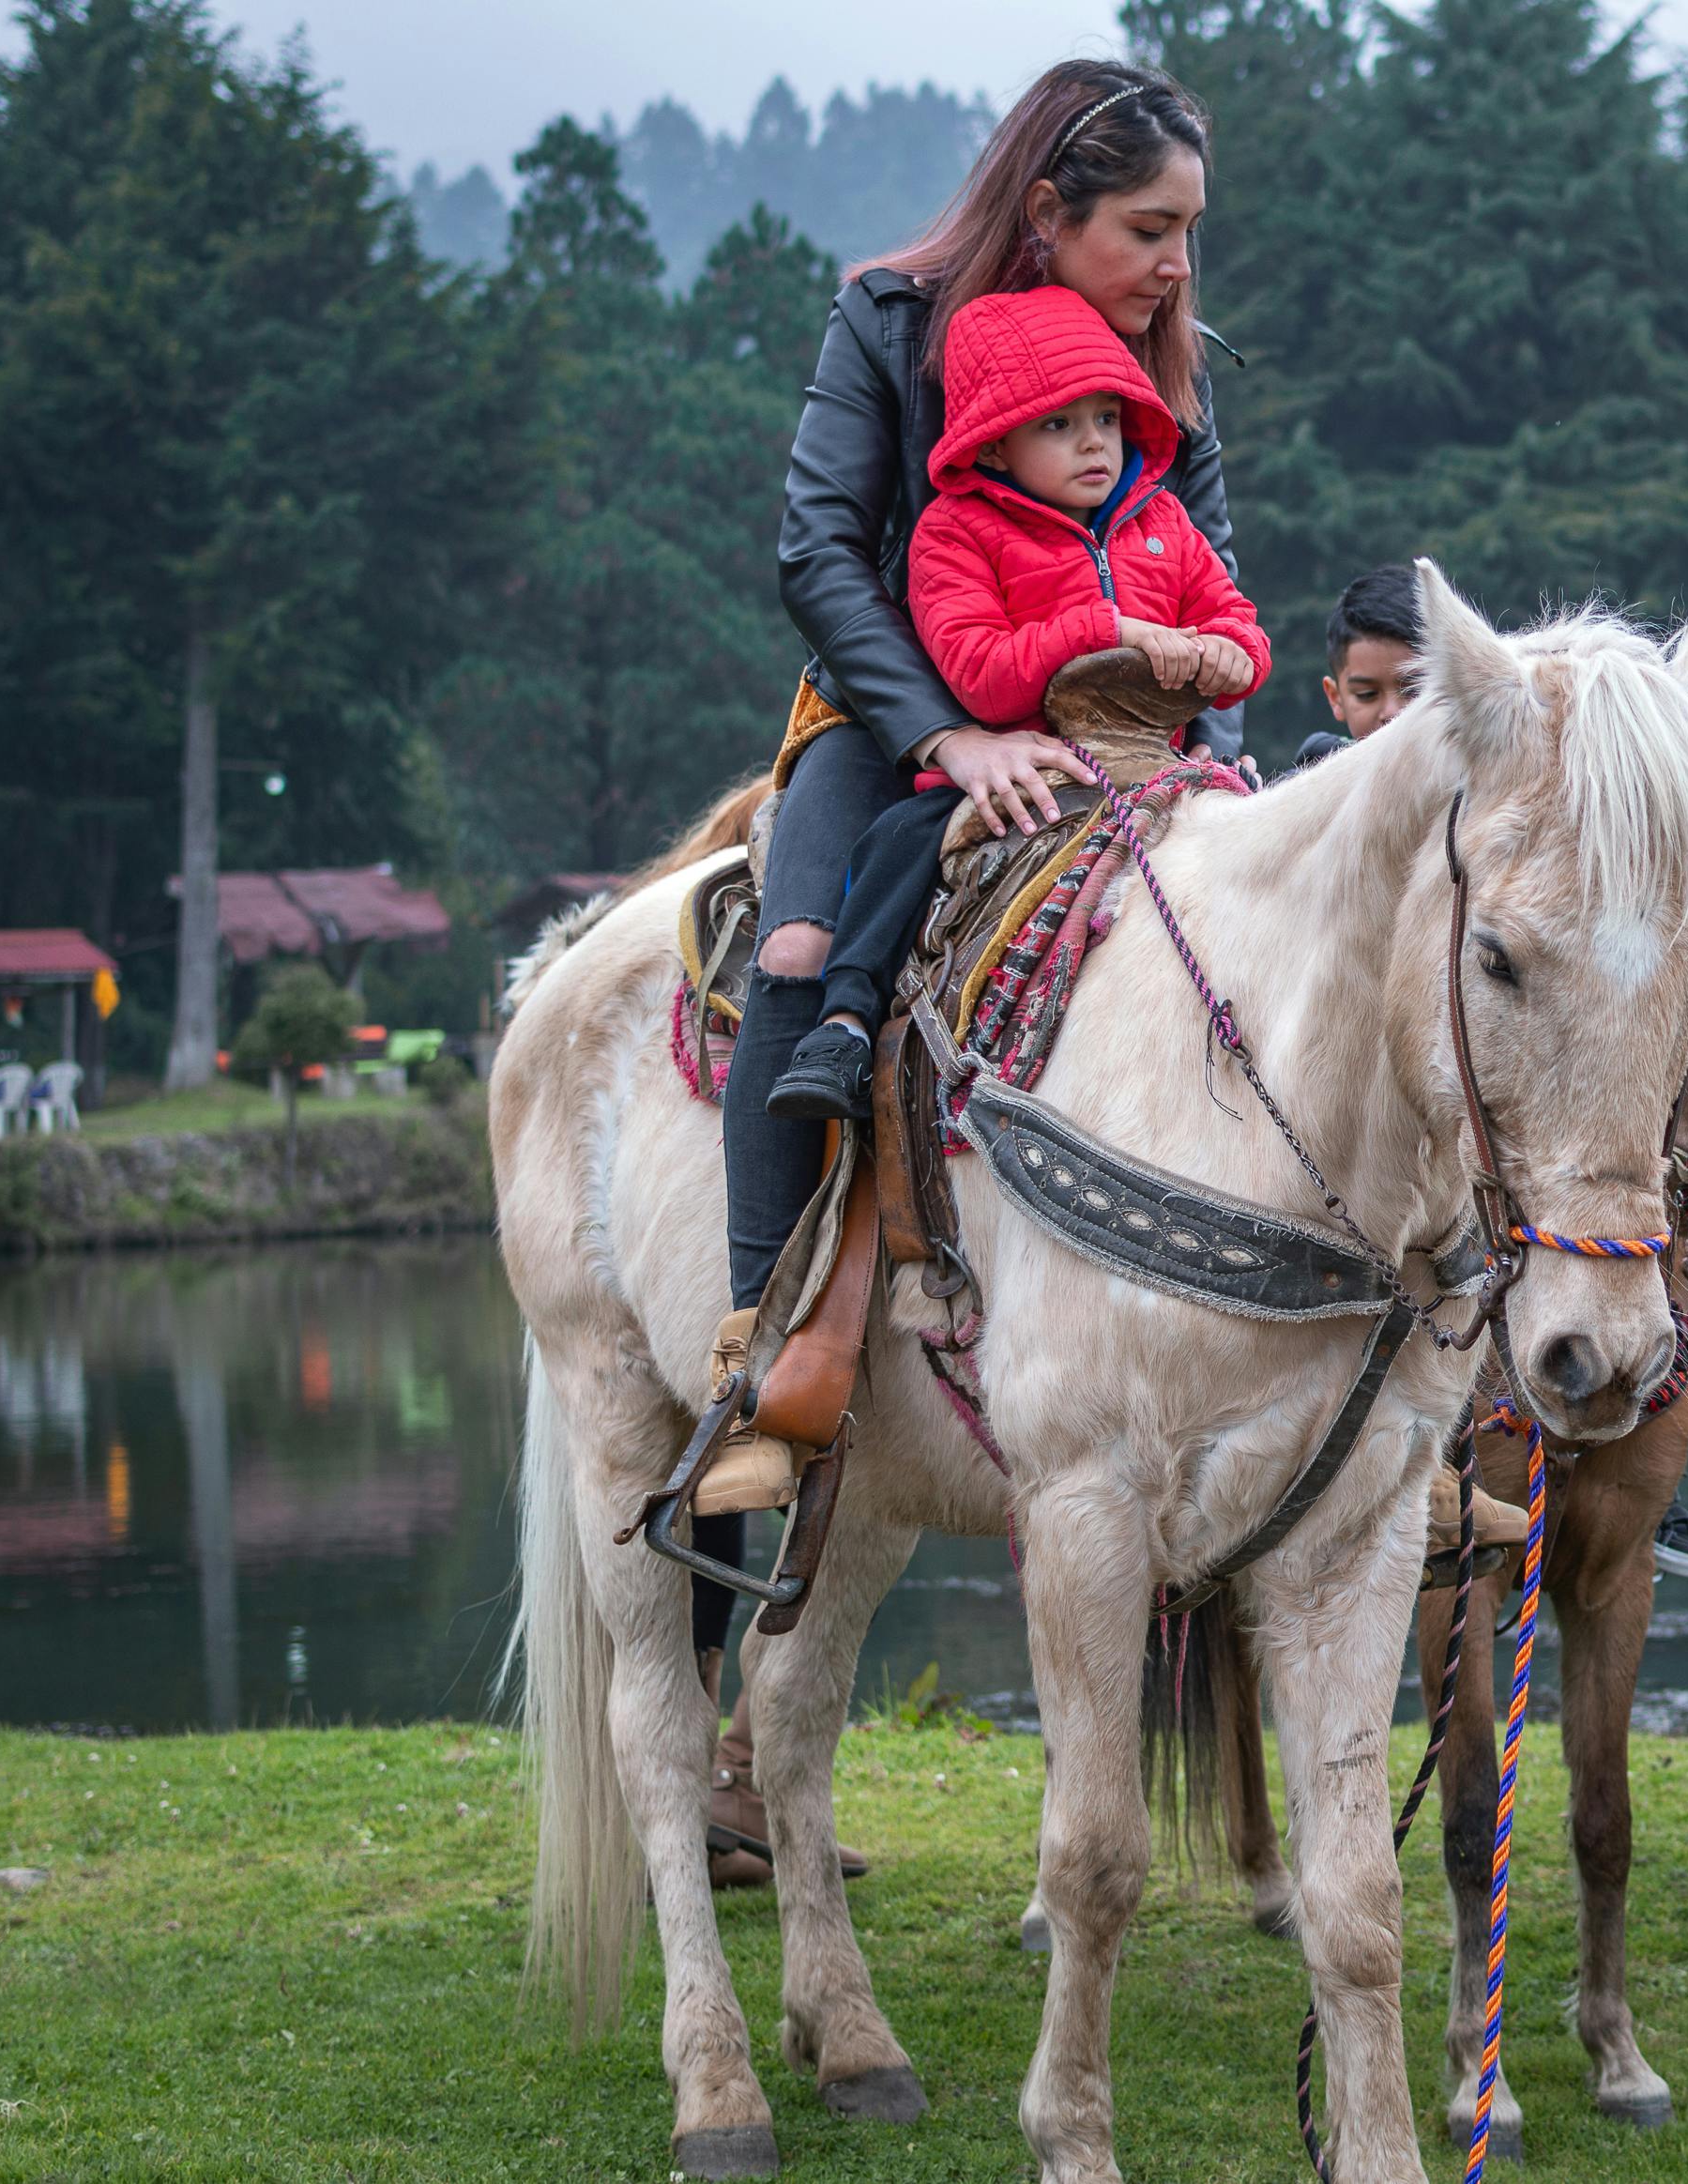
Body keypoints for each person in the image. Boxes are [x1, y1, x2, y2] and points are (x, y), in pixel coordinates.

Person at [686, 60, 1235, 1885]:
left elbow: (1210, 562)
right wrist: (949, 737)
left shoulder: (1168, 357)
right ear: (1048, 213)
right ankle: (763, 1349)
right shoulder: (887, 316)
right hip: (894, 707)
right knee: (799, 928)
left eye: (1184, 233)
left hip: (1132, 731)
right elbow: (816, 554)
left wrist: (1194, 694)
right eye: (1148, 231)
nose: (1173, 265)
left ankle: (1400, 1346)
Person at [763, 285, 1269, 1123]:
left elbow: (1241, 628)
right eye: (1058, 426)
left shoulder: (1164, 522)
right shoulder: (956, 533)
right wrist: (1105, 628)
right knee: (902, 841)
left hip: (1153, 773)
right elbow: (979, 676)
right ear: (994, 449)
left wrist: (1227, 655)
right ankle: (846, 1021)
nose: (1093, 444)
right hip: (1013, 768)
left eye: (1106, 418)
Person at [1288, 561, 1422, 772]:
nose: (1392, 713)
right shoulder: (1309, 787)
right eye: (1367, 694)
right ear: (1335, 697)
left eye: (1413, 690)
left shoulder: (1483, 791)